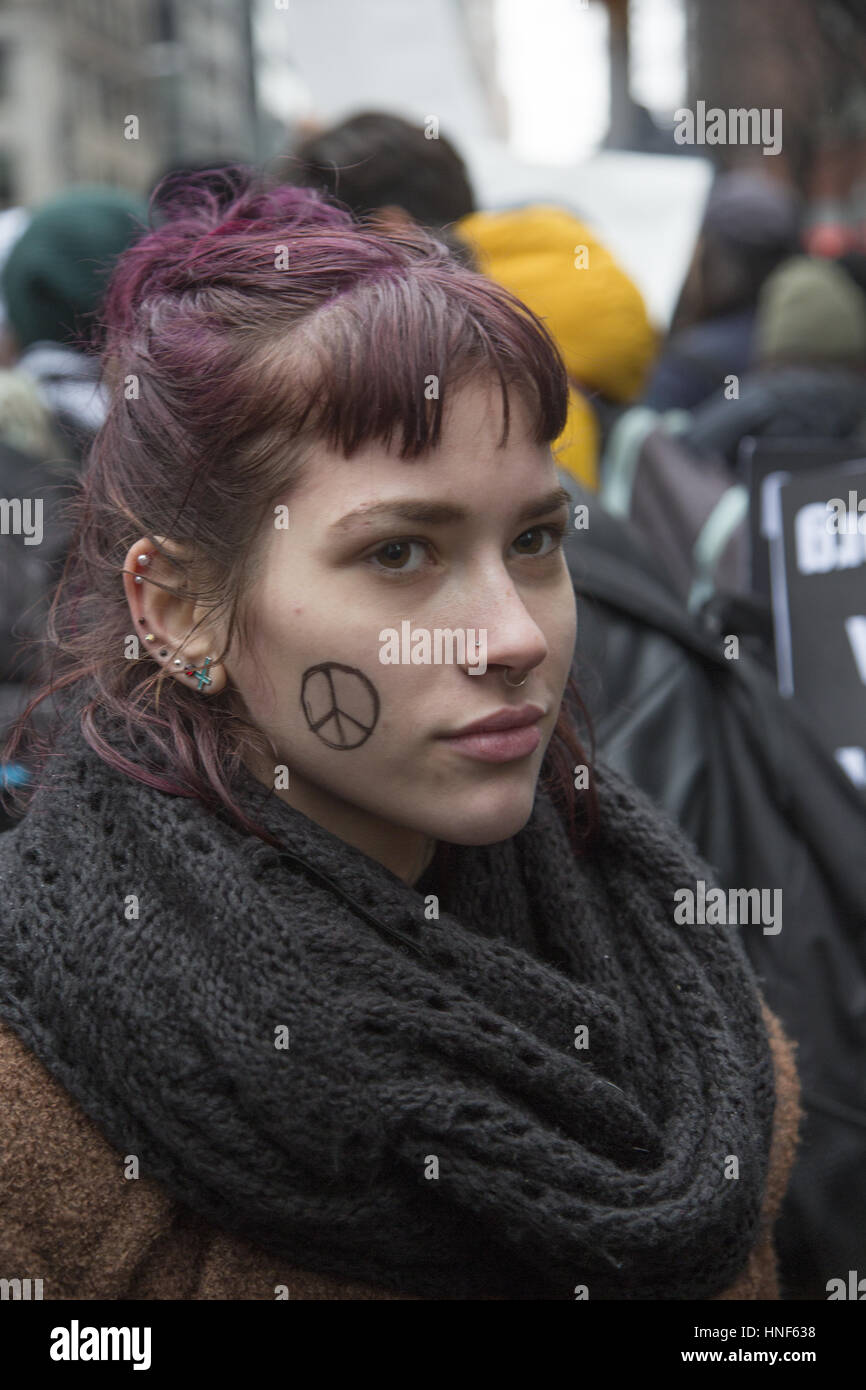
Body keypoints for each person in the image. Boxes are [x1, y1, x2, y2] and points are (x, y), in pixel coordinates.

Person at [0, 171, 800, 1301]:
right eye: (398, 553)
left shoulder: (675, 1008)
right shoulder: (37, 1110)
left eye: (533, 538)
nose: (513, 634)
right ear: (178, 609)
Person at [285, 110, 657, 492]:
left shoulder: (445, 366)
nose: (324, 280)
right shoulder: (562, 266)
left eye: (331, 245)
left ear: (391, 231)